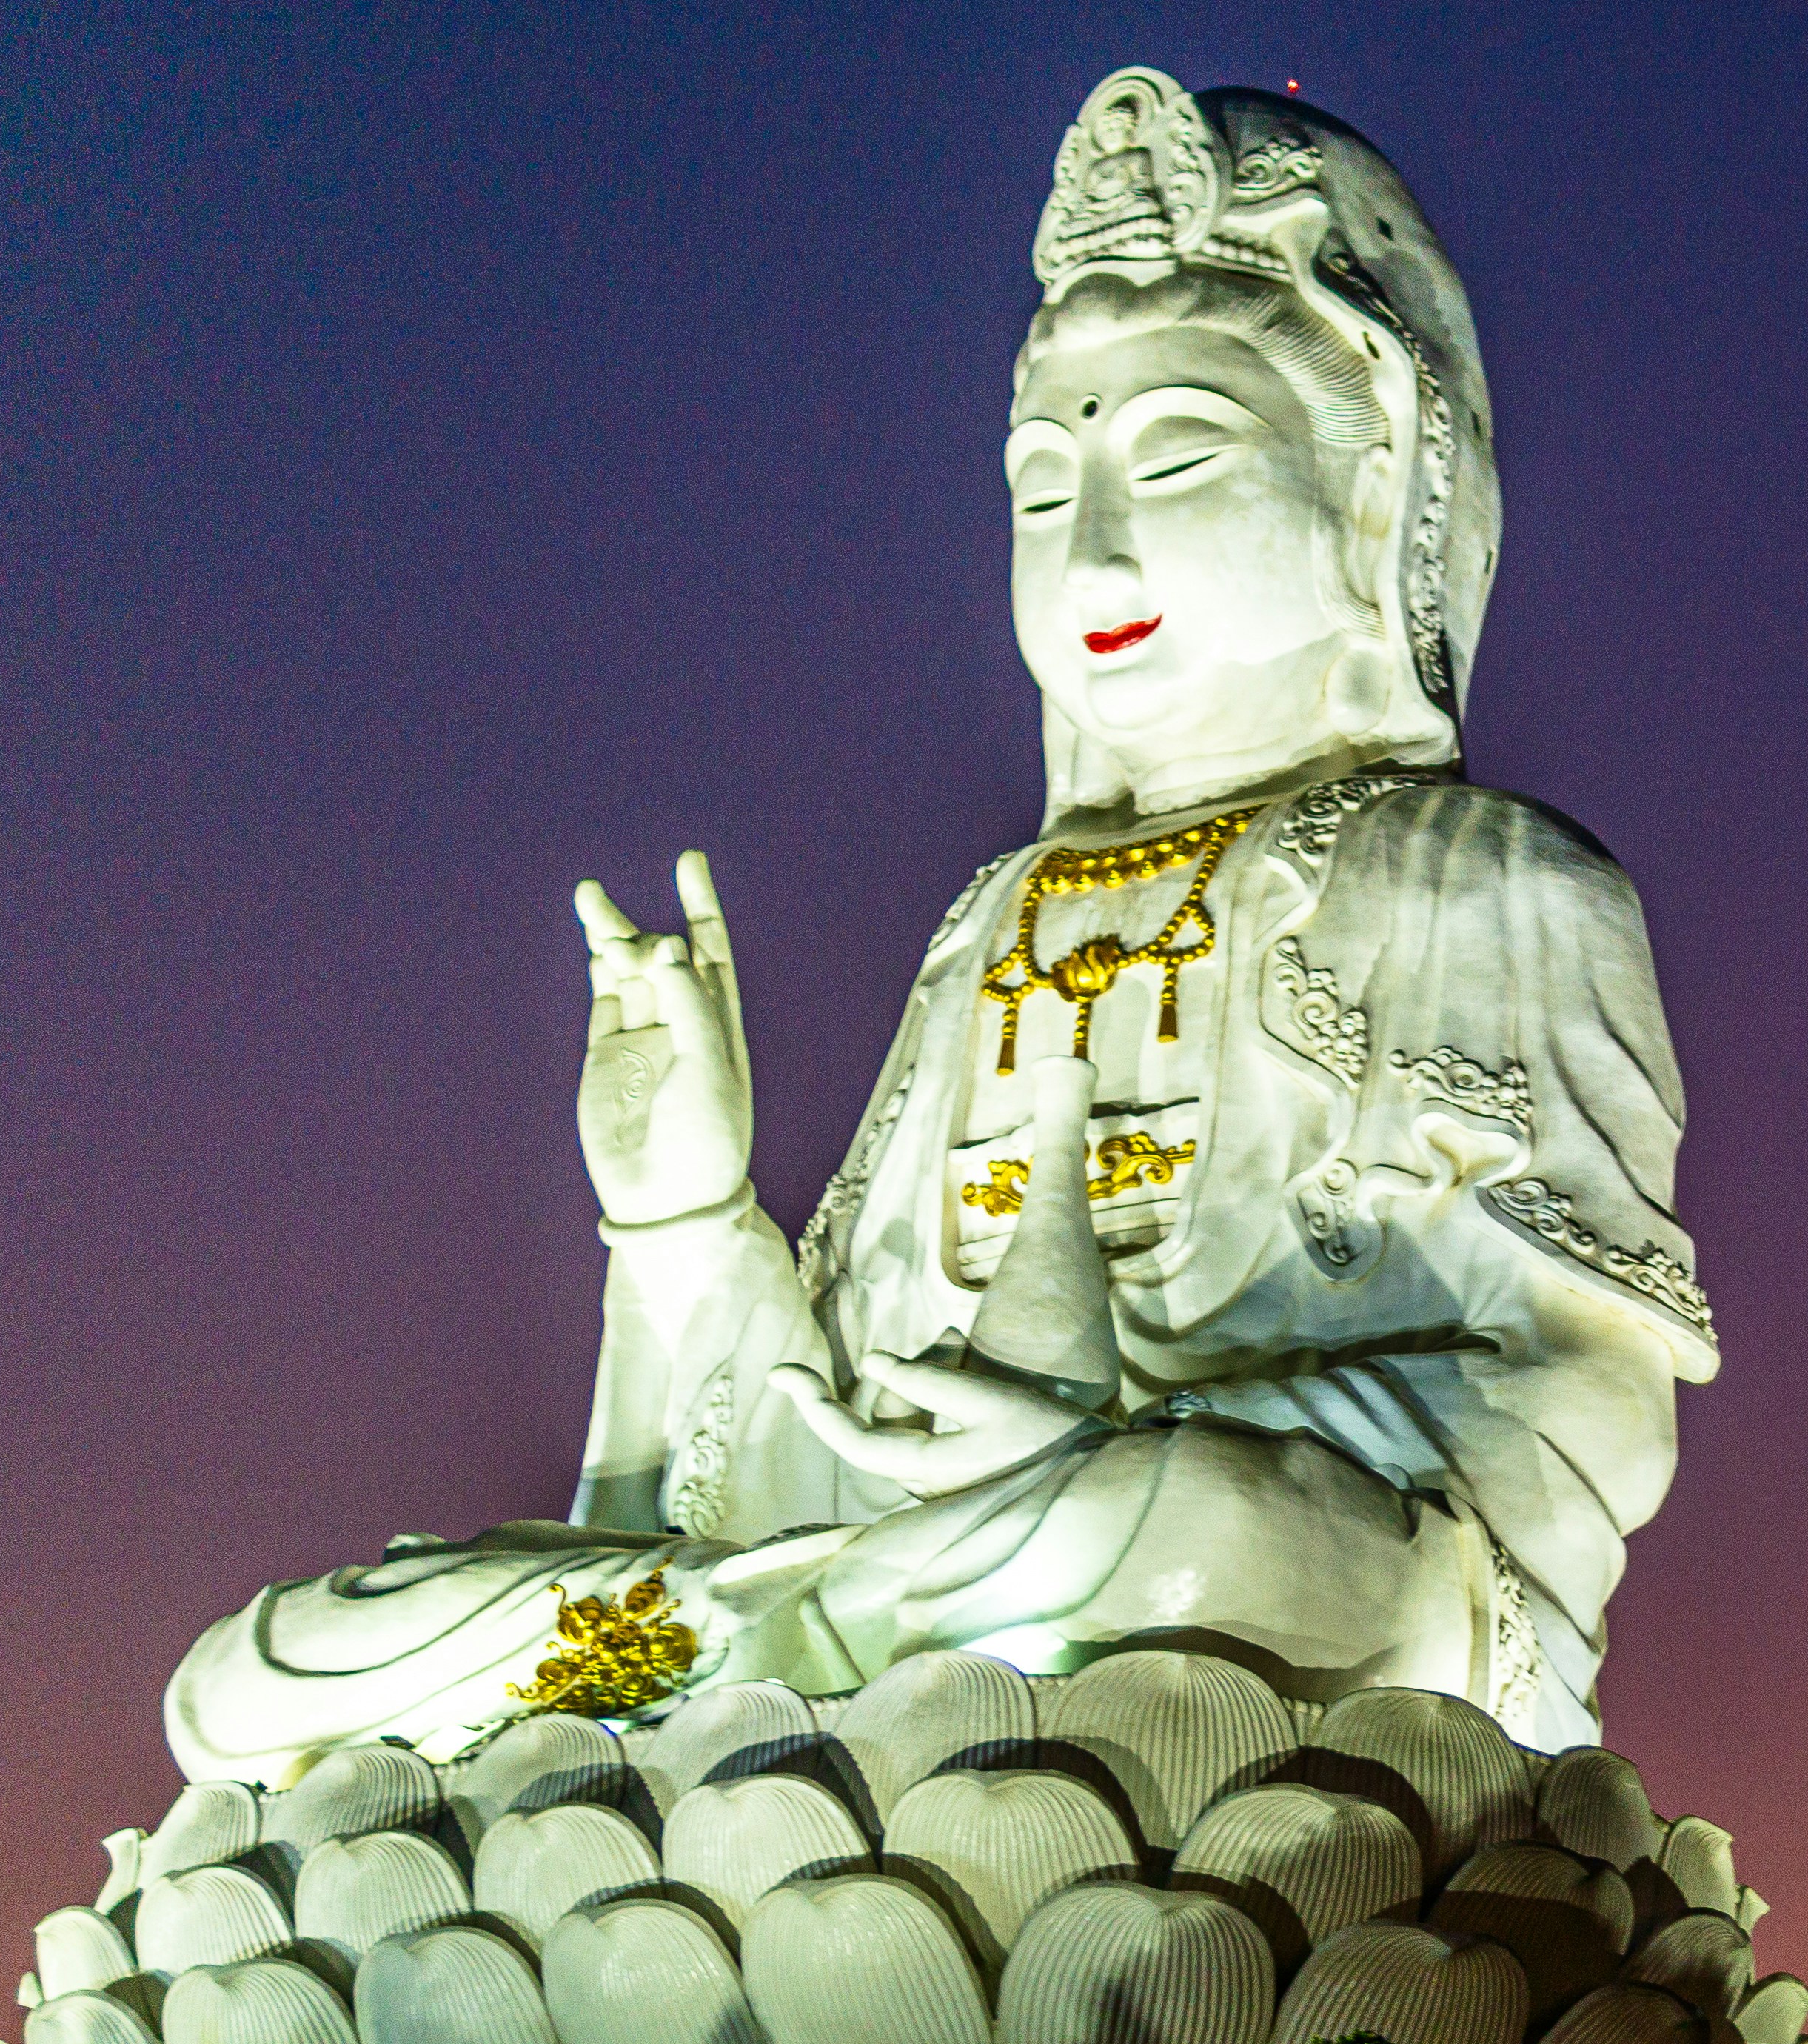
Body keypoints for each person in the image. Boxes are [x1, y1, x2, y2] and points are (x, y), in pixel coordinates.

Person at [164, 68, 1712, 1783]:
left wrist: (1120, 1461)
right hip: (887, 1579)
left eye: (1179, 454)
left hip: (1207, 1587)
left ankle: (757, 1730)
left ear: (1374, 500)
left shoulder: (1479, 878)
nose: (1094, 546)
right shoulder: (994, 921)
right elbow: (796, 1422)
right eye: (1045, 489)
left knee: (1180, 1552)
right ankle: (777, 1703)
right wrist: (677, 1213)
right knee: (256, 1677)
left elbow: (1579, 1399)